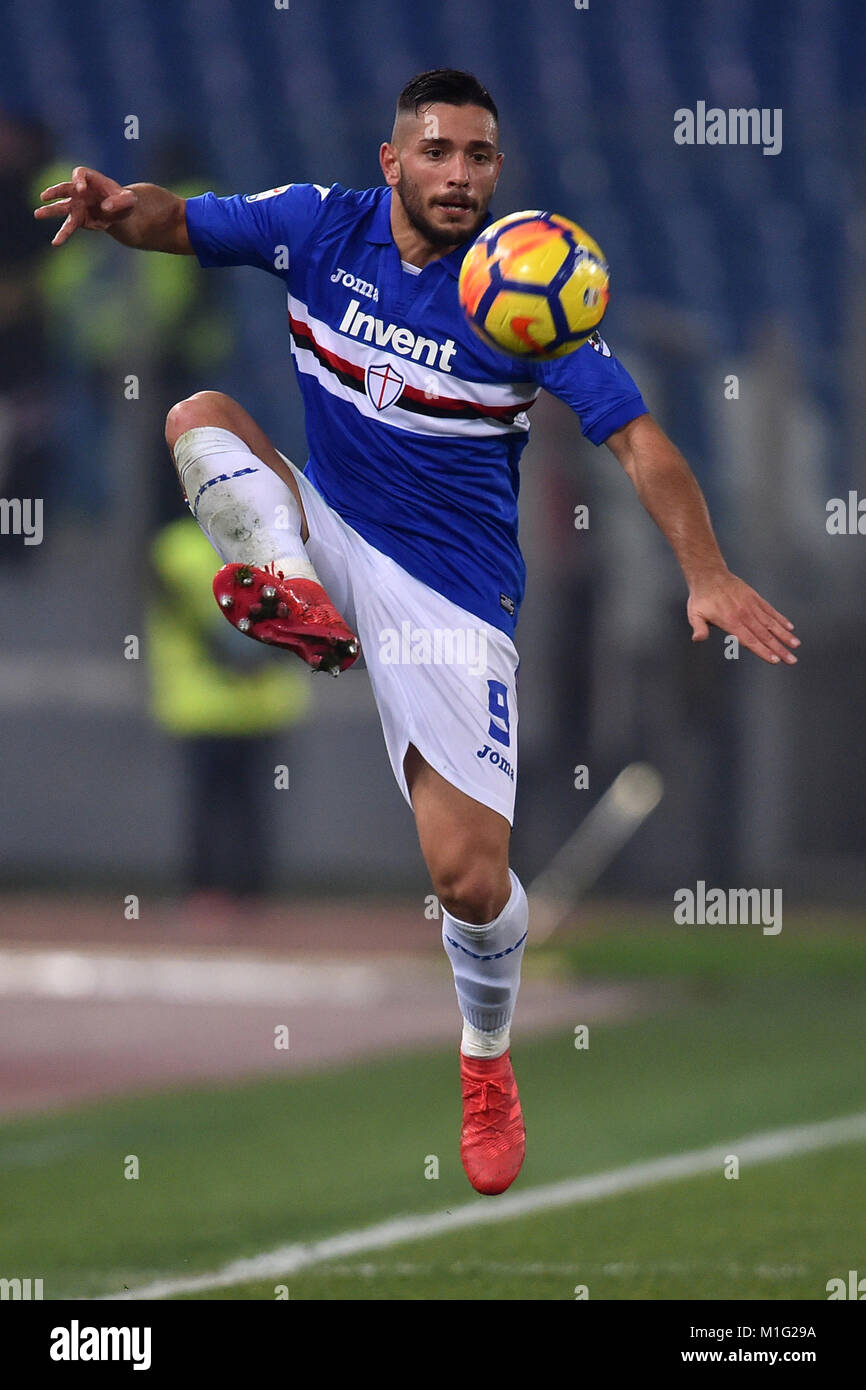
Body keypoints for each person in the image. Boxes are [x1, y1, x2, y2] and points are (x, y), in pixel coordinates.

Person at [34, 68, 800, 1197]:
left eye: (478, 157)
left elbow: (637, 442)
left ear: (497, 170)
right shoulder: (317, 225)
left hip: (448, 596)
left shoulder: (523, 294)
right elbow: (180, 220)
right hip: (330, 529)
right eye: (437, 152)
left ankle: (485, 1058)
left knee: (468, 881)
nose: (458, 175)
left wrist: (706, 571)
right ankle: (286, 589)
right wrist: (112, 207)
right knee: (197, 416)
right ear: (392, 160)